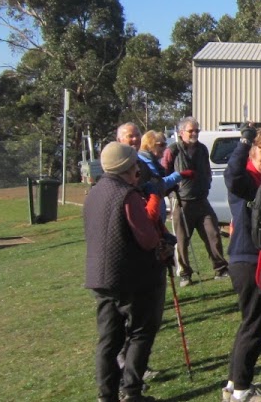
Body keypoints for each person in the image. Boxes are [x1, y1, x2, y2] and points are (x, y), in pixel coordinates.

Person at [84, 141, 174, 402]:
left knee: (109, 340)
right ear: (126, 167)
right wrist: (163, 242)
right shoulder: (128, 195)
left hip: (99, 276)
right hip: (132, 276)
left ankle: (106, 396)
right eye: (135, 164)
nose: (138, 169)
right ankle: (132, 391)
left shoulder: (94, 192)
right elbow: (146, 238)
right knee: (141, 333)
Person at [221, 127, 261, 402]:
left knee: (252, 323)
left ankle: (234, 383)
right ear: (251, 151)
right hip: (247, 260)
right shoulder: (245, 179)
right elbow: (230, 175)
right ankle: (242, 389)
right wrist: (243, 141)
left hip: (259, 259)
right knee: (255, 324)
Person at [161, 116, 228, 286]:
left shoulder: (202, 149)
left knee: (212, 233)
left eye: (196, 130)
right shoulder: (173, 150)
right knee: (182, 239)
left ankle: (220, 268)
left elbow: (206, 170)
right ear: (181, 132)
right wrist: (171, 190)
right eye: (191, 130)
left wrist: (207, 183)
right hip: (181, 201)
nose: (194, 133)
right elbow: (163, 173)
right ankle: (185, 273)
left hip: (201, 199)